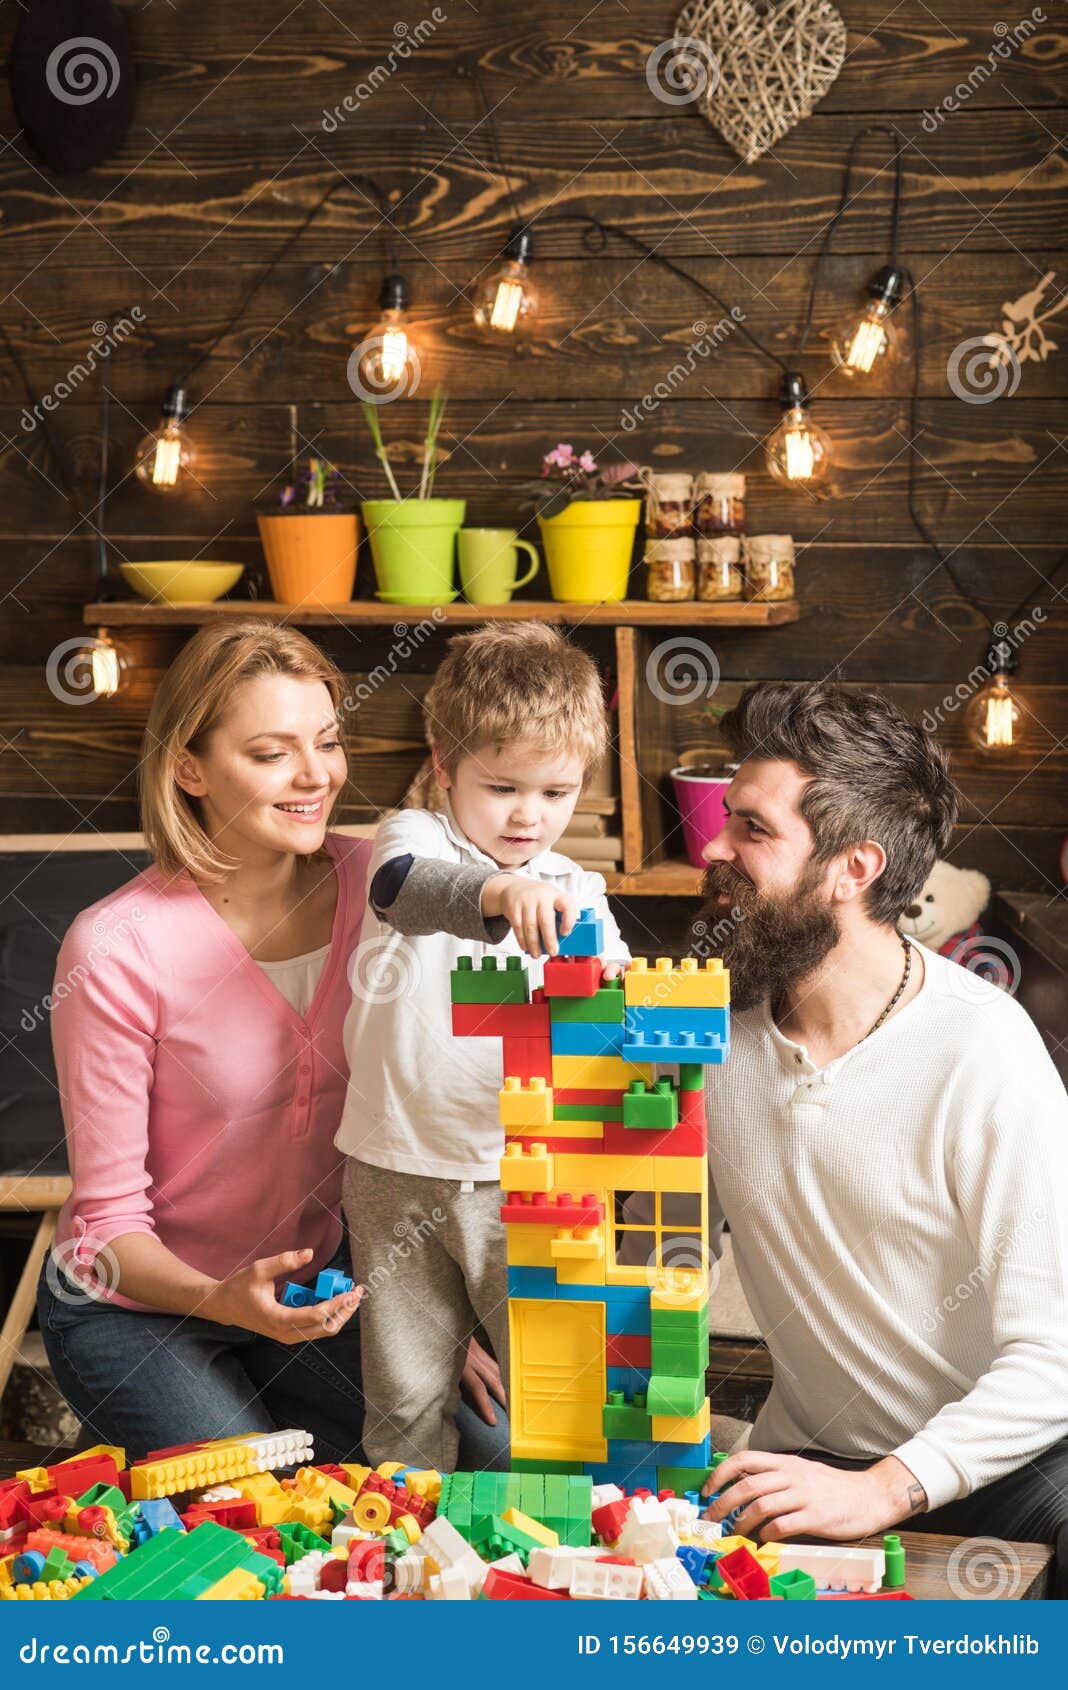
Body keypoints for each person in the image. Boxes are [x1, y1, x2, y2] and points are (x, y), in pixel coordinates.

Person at [37, 620, 507, 1467]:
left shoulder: (385, 892)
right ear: (189, 768)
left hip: (316, 1294)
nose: (315, 775)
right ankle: (144, 1417)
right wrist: (222, 1300)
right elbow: (105, 1226)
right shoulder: (114, 947)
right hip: (135, 1307)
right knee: (255, 1498)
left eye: (327, 742)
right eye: (269, 753)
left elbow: (416, 1119)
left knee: (485, 1461)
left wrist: (428, 1315)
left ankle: (197, 1427)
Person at [681, 681, 1068, 1594]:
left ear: (855, 867)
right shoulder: (707, 1034)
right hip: (809, 1454)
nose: (712, 847)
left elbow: (1056, 1354)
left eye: (752, 831)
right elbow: (665, 1245)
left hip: (1004, 1467)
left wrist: (888, 1489)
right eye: (726, 820)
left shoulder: (983, 1049)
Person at [337, 621, 630, 1471]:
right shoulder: (414, 838)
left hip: (527, 1178)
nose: (529, 816)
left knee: (558, 1395)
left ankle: (556, 1571)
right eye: (501, 787)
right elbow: (401, 893)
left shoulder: (581, 891)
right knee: (403, 1397)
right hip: (395, 1166)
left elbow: (607, 1029)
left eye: (557, 793)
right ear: (443, 762)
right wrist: (501, 890)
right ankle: (399, 1563)